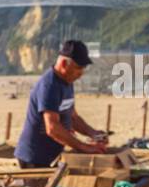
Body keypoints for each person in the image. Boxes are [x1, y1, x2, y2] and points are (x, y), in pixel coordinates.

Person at [14, 39, 109, 167]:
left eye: (84, 68)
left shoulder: (68, 81)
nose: (81, 73)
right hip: (34, 158)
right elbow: (52, 128)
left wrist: (93, 133)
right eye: (78, 68)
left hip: (53, 156)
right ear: (64, 63)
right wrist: (84, 147)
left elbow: (72, 117)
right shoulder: (49, 86)